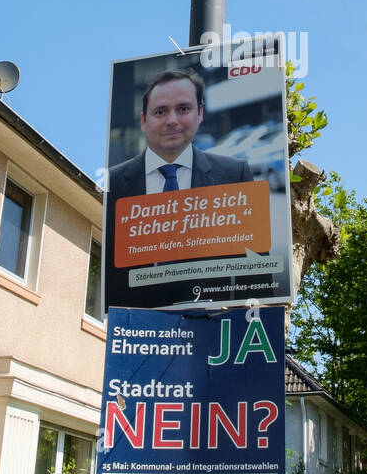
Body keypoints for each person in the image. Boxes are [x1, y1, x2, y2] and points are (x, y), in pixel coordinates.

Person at [104, 69, 255, 310]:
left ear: (200, 114)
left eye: (183, 109)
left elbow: (255, 273)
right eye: (160, 111)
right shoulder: (112, 184)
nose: (172, 120)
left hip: (215, 330)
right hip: (138, 333)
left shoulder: (234, 177)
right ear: (144, 120)